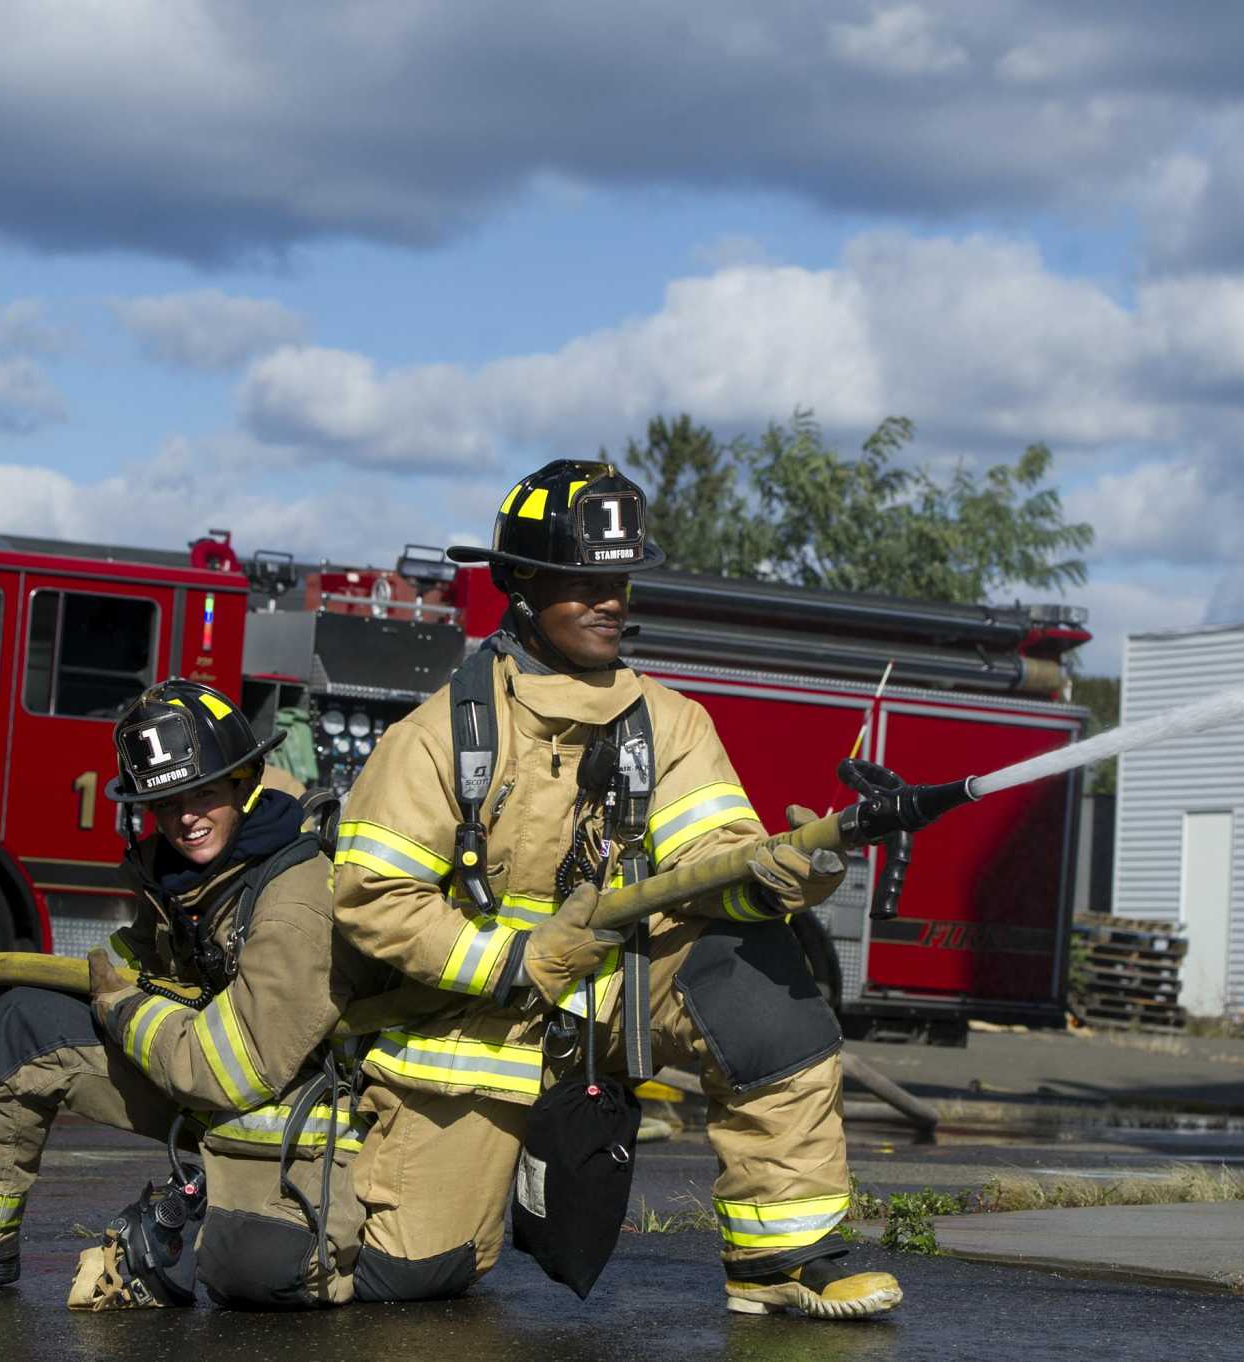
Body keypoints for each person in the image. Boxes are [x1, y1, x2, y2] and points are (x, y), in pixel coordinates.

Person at [332, 459, 903, 1319]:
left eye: (620, 581)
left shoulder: (667, 725)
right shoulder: (441, 737)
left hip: (618, 1007)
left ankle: (784, 1257)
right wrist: (521, 957)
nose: (611, 601)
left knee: (764, 986)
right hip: (479, 1028)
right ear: (521, 583)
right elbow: (374, 899)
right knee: (415, 1274)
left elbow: (711, 861)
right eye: (583, 581)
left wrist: (784, 871)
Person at [0, 679, 382, 1307]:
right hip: (209, 1075)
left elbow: (234, 1068)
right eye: (165, 802)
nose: (184, 818)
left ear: (247, 782)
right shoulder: (188, 878)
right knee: (21, 1029)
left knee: (253, 1271)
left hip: (293, 1111)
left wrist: (118, 1006)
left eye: (203, 793)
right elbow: (123, 969)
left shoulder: (292, 899)